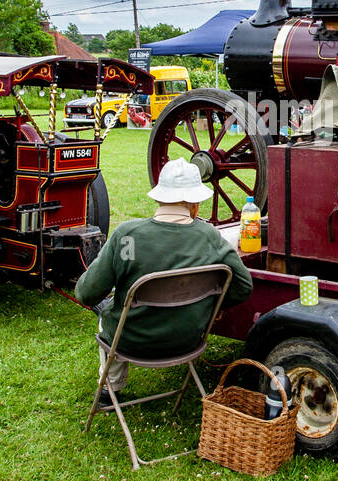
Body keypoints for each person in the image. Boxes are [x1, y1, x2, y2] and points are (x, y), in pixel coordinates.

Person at [75, 158, 254, 403]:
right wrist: (215, 306)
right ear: (195, 204)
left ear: (159, 198)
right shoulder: (210, 237)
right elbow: (243, 286)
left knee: (107, 313)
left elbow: (87, 293)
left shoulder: (126, 236)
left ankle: (110, 389)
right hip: (189, 338)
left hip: (131, 340)